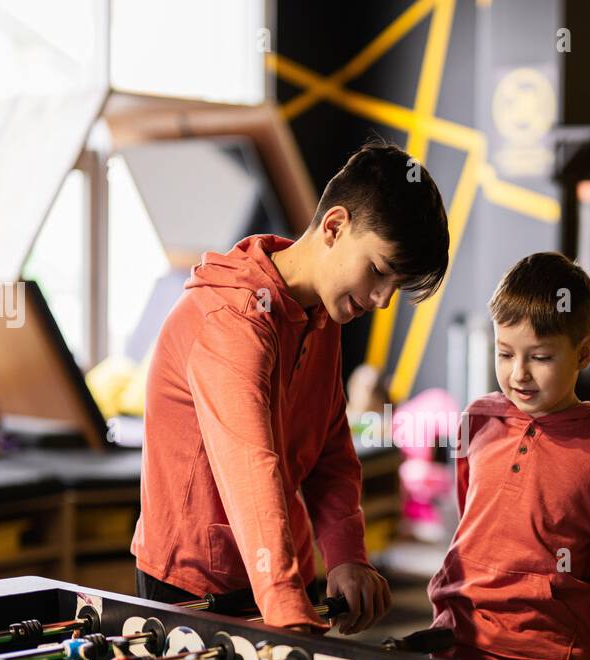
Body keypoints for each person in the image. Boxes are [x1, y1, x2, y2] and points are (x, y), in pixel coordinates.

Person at [132, 143, 449, 635]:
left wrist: (346, 556)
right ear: (335, 227)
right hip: (194, 586)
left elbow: (330, 449)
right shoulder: (230, 320)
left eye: (396, 286)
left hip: (279, 571)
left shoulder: (321, 313)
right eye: (380, 271)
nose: (383, 300)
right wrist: (284, 604)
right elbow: (250, 468)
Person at [427, 252, 590, 660]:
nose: (518, 374)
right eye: (504, 353)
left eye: (541, 357)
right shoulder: (477, 420)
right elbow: (470, 527)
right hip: (454, 641)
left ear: (584, 352)